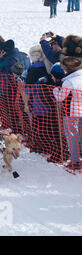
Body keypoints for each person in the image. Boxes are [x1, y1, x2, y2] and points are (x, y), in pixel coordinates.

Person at [53, 35, 82, 170]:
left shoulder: (68, 82)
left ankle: (75, 161)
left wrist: (54, 89)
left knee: (72, 137)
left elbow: (60, 97)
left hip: (71, 113)